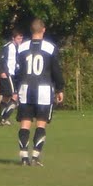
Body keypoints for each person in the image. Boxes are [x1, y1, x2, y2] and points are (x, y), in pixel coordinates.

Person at [13, 17, 65, 166]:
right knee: (41, 124)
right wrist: (60, 88)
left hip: (25, 89)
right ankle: (35, 156)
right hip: (43, 91)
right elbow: (56, 70)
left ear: (31, 31)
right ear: (43, 30)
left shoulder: (22, 47)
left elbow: (18, 71)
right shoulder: (50, 48)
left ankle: (24, 157)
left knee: (25, 124)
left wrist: (17, 88)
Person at [0, 30, 25, 125]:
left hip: (15, 74)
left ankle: (2, 119)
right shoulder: (7, 47)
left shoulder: (20, 47)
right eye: (18, 38)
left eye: (21, 38)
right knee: (15, 96)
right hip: (8, 74)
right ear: (13, 38)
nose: (20, 40)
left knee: (6, 97)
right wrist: (1, 71)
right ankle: (4, 118)